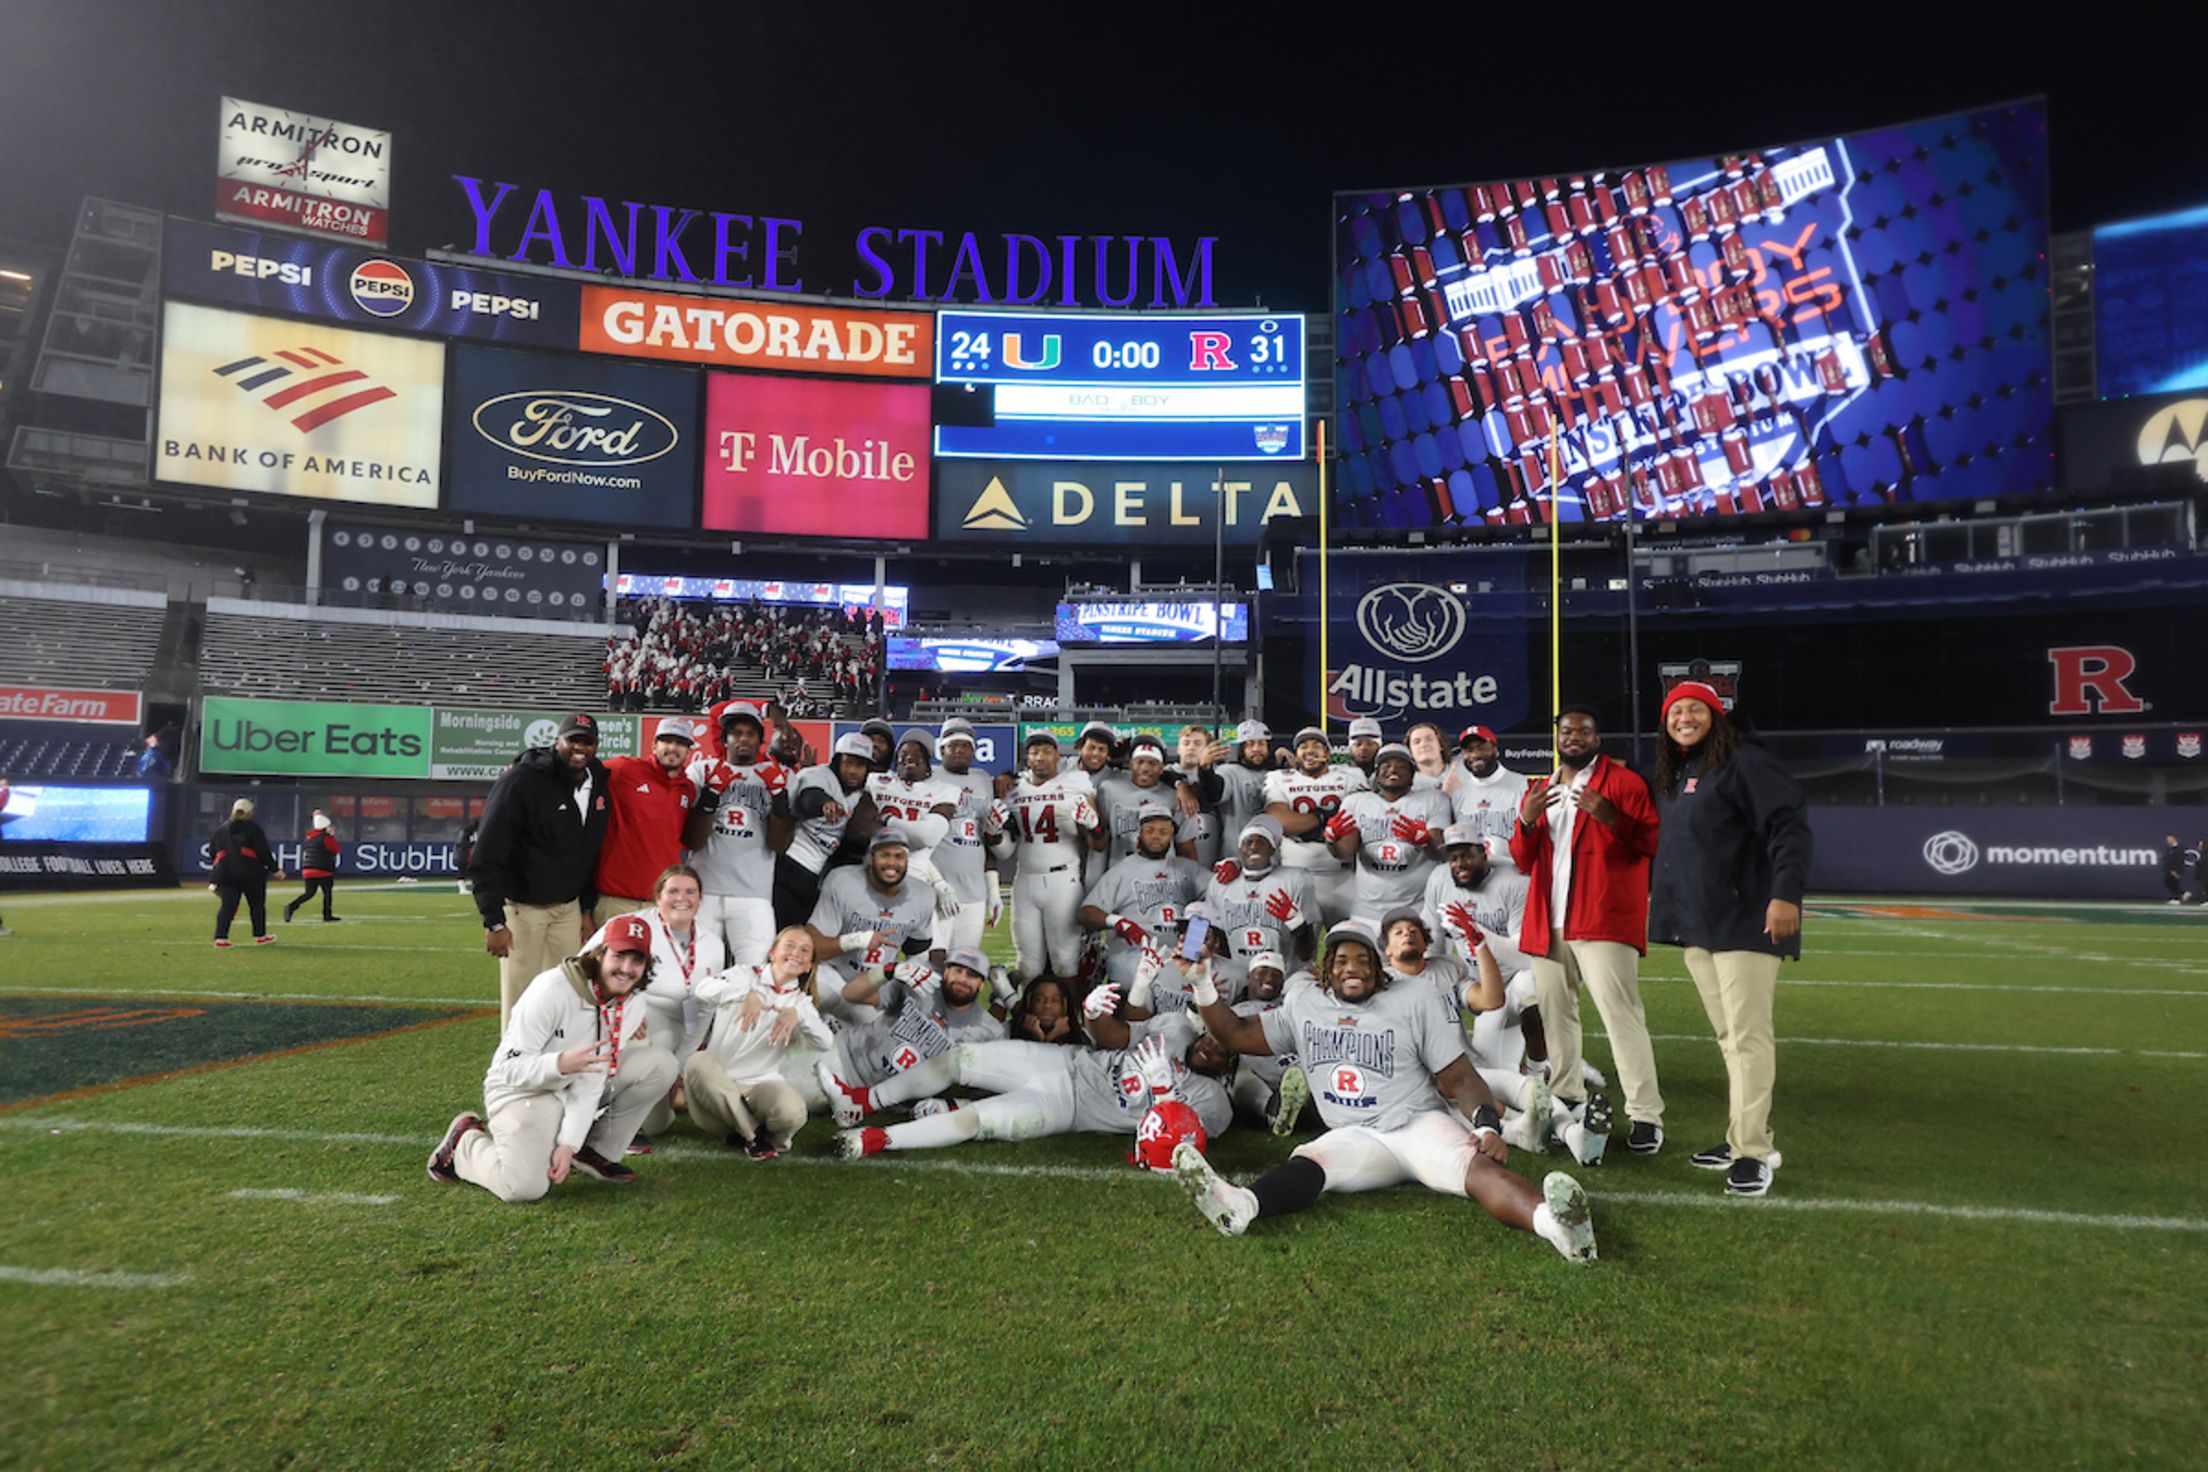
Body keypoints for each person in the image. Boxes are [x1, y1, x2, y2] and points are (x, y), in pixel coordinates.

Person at [1168, 922, 1597, 1262]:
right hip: (1355, 1134)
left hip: (1415, 1123)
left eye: (1362, 959)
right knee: (1311, 1160)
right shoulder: (1305, 1001)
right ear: (1324, 970)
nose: (1351, 967)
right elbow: (1235, 1033)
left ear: (1379, 968)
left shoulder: (1413, 999)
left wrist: (1486, 1126)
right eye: (1340, 960)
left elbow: (1460, 1078)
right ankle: (1241, 1206)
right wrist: (1203, 983)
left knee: (1477, 1168)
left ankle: (1558, 1226)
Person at [1648, 682, 1812, 1198]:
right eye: (1676, 711)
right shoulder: (1685, 772)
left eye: (1696, 709)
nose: (1685, 717)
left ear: (1717, 717)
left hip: (1746, 922)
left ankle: (1753, 1154)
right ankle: (1742, 1134)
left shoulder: (1745, 761)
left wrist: (1785, 895)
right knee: (1729, 1040)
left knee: (1746, 1038)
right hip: (1701, 926)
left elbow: (1790, 826)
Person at [826, 961, 1231, 1160]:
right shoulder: (1178, 1028)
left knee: (977, 1124)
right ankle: (864, 1102)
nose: (1209, 1046)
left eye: (1220, 1050)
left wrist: (1161, 1092)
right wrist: (1093, 1012)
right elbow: (1113, 1037)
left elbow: (1171, 1151)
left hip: (1067, 1109)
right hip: (1064, 1062)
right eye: (1213, 1035)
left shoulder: (1212, 1102)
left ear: (1228, 1068)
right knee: (961, 1059)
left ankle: (878, 1140)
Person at [426, 914, 678, 1200]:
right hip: (522, 1091)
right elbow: (508, 1069)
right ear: (600, 953)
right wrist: (559, 1064)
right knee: (523, 1188)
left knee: (660, 1064)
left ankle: (591, 1150)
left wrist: (569, 1144)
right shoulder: (551, 989)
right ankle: (464, 1142)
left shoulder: (631, 1005)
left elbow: (591, 1080)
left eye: (637, 961)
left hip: (569, 1089)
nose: (626, 969)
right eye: (619, 956)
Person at [1510, 706, 1666, 1156]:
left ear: (1598, 739)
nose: (1574, 736)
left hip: (1601, 917)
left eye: (1584, 730)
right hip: (1548, 920)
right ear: (1556, 738)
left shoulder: (1624, 784)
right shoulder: (1542, 789)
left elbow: (1650, 843)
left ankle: (1645, 1115)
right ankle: (1568, 1097)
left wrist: (1612, 817)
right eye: (1566, 731)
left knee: (1622, 1017)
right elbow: (1523, 859)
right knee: (1556, 1018)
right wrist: (1525, 819)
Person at [469, 714, 611, 1029]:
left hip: (568, 910)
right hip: (523, 910)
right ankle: (512, 1074)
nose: (579, 748)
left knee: (569, 995)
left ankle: (556, 1070)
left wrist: (586, 909)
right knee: (521, 1002)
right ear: (556, 741)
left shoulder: (598, 781)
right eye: (572, 739)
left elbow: (588, 853)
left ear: (596, 746)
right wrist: (493, 920)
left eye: (587, 742)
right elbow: (488, 850)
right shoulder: (522, 779)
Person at [582, 864, 727, 1151]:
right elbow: (583, 970)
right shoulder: (629, 925)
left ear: (700, 899)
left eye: (690, 892)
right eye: (672, 891)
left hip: (675, 1028)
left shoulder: (713, 943)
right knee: (643, 1034)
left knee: (658, 1124)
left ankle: (626, 1112)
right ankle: (596, 1112)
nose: (681, 898)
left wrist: (681, 1066)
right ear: (657, 896)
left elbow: (704, 1010)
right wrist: (620, 1008)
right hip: (629, 1021)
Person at [813, 946, 1010, 1121]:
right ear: (946, 971)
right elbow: (851, 994)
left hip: (884, 1100)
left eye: (972, 975)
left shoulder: (990, 1031)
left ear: (982, 984)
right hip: (844, 1058)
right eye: (957, 970)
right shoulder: (922, 983)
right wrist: (889, 971)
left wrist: (946, 1106)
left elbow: (985, 1095)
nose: (963, 979)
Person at [687, 926, 830, 1158]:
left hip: (760, 1089)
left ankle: (761, 1136)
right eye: (790, 946)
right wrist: (747, 995)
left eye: (805, 951)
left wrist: (797, 1014)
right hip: (714, 1095)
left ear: (808, 965)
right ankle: (753, 1135)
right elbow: (702, 990)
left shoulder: (801, 1002)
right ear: (773, 952)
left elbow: (824, 1042)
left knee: (793, 1113)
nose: (796, 953)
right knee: (697, 1061)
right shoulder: (743, 975)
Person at [682, 702, 791, 966]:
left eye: (750, 733)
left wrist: (779, 798)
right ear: (724, 738)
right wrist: (711, 795)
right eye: (736, 733)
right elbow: (691, 840)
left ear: (760, 740)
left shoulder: (781, 775)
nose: (743, 739)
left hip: (753, 893)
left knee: (755, 976)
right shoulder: (702, 770)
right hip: (703, 889)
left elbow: (780, 845)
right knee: (698, 973)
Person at [804, 829, 946, 1024]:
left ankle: (841, 1023)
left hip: (873, 985)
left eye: (899, 856)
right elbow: (811, 948)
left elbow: (917, 951)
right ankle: (825, 1018)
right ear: (871, 858)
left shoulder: (922, 894)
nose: (891, 863)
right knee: (810, 983)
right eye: (884, 855)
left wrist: (910, 990)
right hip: (834, 976)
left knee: (885, 1039)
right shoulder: (843, 881)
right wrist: (857, 940)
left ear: (907, 861)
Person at [989, 731, 1098, 983]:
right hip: (1024, 879)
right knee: (1028, 965)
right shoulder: (1015, 789)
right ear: (1027, 757)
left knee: (1066, 963)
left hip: (1064, 880)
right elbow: (1005, 850)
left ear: (1058, 756)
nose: (1040, 757)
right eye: (1035, 752)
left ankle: (1070, 1021)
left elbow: (1096, 840)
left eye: (1047, 751)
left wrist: (1093, 824)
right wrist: (994, 834)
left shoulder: (1076, 782)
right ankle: (1027, 1020)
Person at [1329, 742, 1454, 923]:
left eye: (1402, 766)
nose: (1393, 769)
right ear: (1377, 775)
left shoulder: (1433, 799)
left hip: (1420, 907)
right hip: (1367, 909)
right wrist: (1331, 841)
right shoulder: (1355, 802)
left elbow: (1439, 852)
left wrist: (1424, 841)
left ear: (1413, 775)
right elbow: (1345, 852)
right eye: (1386, 765)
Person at [593, 716, 700, 922]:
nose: (672, 748)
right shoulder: (624, 770)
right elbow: (580, 769)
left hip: (662, 902)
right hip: (616, 901)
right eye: (667, 741)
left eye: (680, 743)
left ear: (689, 751)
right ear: (654, 745)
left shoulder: (688, 788)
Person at [1263, 726, 1367, 926]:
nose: (1310, 750)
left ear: (1328, 754)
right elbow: (1279, 820)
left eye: (1317, 746)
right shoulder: (1278, 778)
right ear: (1295, 755)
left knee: (1352, 941)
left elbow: (1356, 819)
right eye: (1303, 746)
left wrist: (1304, 824)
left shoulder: (1352, 776)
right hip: (1297, 875)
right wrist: (1326, 819)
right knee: (1299, 944)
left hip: (1343, 875)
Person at [772, 734, 874, 931]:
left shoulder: (860, 793)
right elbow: (808, 798)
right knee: (782, 934)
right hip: (789, 865)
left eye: (860, 766)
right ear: (837, 762)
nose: (853, 771)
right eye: (848, 763)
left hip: (815, 877)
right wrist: (825, 804)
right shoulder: (820, 774)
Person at [1202, 816, 1317, 966]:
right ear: (1239, 848)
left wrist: (1298, 924)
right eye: (1248, 842)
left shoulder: (1296, 879)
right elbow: (1203, 924)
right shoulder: (1221, 882)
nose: (1254, 847)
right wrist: (1190, 961)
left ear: (1272, 849)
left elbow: (1307, 953)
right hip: (1237, 973)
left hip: (1285, 974)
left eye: (1262, 842)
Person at [932, 723, 1003, 952]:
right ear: (942, 750)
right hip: (937, 888)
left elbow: (986, 841)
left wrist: (993, 892)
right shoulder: (930, 777)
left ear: (974, 751)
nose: (960, 750)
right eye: (954, 746)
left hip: (974, 892)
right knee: (932, 962)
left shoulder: (983, 779)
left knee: (963, 964)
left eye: (966, 746)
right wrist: (936, 884)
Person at [1450, 725, 1532, 869]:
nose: (1475, 754)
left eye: (1481, 747)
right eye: (1469, 750)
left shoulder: (1522, 785)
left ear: (1495, 749)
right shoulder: (1458, 795)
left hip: (1513, 873)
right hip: (1474, 878)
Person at [209, 797, 282, 948]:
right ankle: (260, 935)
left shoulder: (220, 831)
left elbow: (213, 852)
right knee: (256, 905)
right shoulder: (254, 829)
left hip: (225, 874)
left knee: (228, 905)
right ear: (250, 813)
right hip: (251, 874)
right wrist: (274, 869)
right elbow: (263, 852)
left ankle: (221, 937)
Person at [283, 809, 342, 924]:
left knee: (309, 893)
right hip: (323, 869)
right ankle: (327, 915)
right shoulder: (327, 838)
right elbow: (335, 850)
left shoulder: (310, 838)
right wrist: (332, 836)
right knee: (327, 893)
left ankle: (291, 906)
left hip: (308, 869)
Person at [1009, 974, 1081, 1046]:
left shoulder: (1081, 1040)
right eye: (1039, 1000)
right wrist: (1041, 1038)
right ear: (1029, 1004)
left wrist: (1051, 1037)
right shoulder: (1007, 1033)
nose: (1047, 1005)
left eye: (1055, 1000)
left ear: (1065, 1006)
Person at [2165, 835, 2188, 905]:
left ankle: (2177, 898)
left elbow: (2179, 860)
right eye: (2167, 840)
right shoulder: (2169, 849)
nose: (2168, 841)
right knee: (2169, 882)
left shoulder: (2179, 849)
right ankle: (2182, 894)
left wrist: (2176, 871)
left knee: (2174, 883)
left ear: (2174, 839)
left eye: (2169, 839)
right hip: (2170, 870)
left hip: (2175, 870)